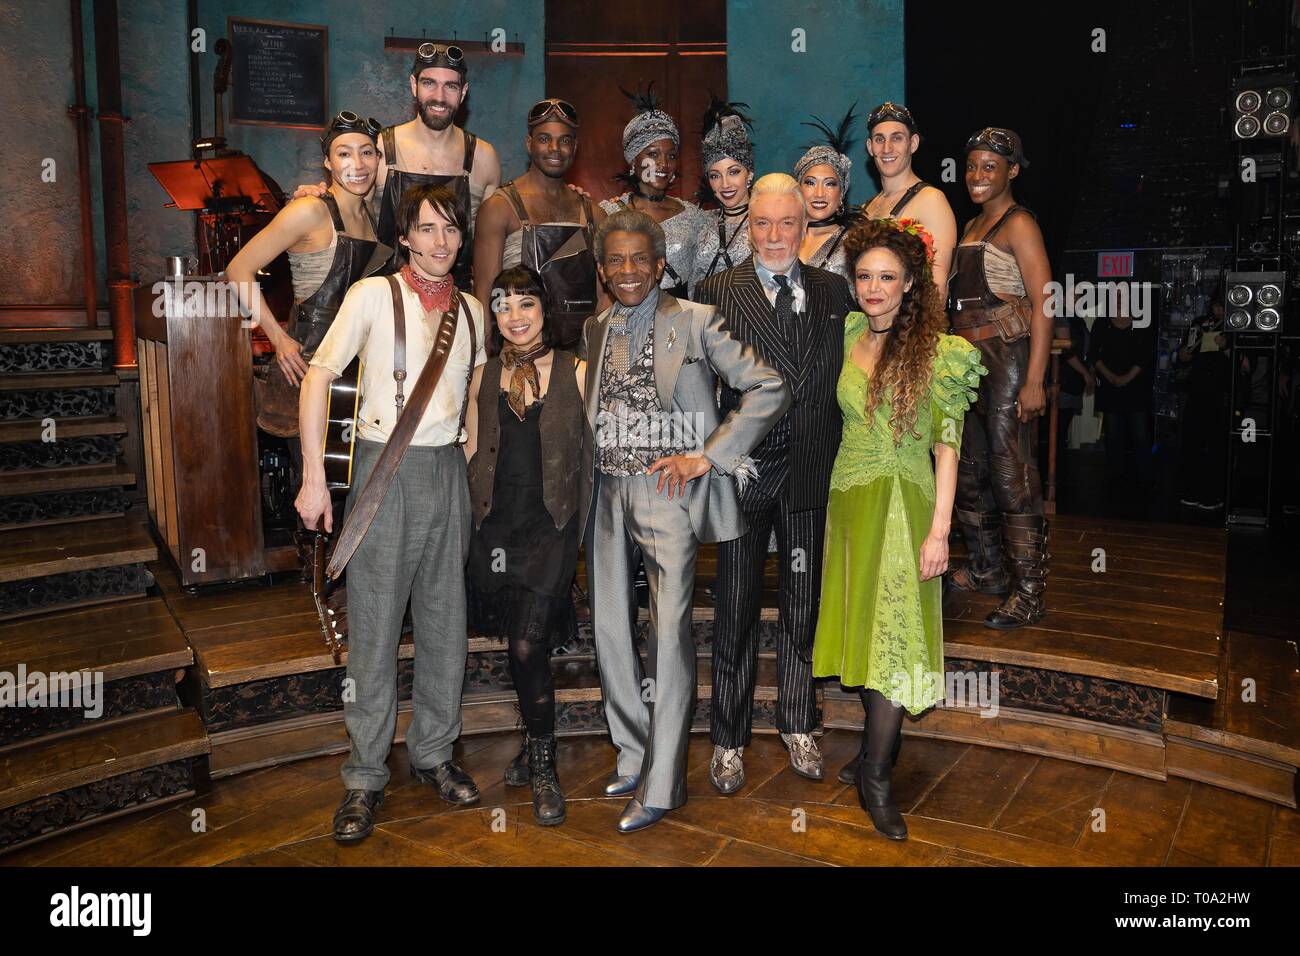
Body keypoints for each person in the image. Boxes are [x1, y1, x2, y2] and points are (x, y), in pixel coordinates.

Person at [579, 209, 788, 832]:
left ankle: (665, 783)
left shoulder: (695, 322)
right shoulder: (594, 328)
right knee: (612, 630)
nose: (627, 271)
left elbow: (769, 387)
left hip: (667, 494)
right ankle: (632, 750)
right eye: (614, 261)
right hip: (606, 493)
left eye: (639, 259)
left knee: (669, 636)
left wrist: (710, 455)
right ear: (601, 269)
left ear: (661, 264)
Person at [295, 182, 487, 843]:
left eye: (451, 230)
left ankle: (435, 751)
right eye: (427, 229)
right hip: (383, 466)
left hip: (445, 476)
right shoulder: (371, 296)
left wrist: (470, 446)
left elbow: (474, 390)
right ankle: (364, 776)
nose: (440, 242)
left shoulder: (473, 311)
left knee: (445, 623)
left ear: (463, 238)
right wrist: (314, 478)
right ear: (405, 236)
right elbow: (319, 373)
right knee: (373, 629)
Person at [813, 218, 985, 840]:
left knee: (894, 637)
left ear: (912, 282)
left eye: (888, 277)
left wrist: (940, 531)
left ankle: (877, 777)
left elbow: (948, 449)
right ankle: (869, 753)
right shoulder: (849, 333)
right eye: (864, 276)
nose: (874, 288)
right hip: (848, 504)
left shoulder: (942, 354)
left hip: (902, 507)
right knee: (866, 629)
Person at [694, 173, 856, 792]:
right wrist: (717, 457)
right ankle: (729, 739)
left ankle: (797, 721)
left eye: (787, 223)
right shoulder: (714, 291)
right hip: (745, 475)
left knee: (801, 604)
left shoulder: (835, 290)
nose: (774, 235)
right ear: (747, 226)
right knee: (733, 607)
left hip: (812, 470)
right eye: (761, 223)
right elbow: (703, 396)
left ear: (805, 225)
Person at [464, 266, 583, 826]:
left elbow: (594, 457)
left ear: (546, 310)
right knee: (515, 644)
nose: (514, 317)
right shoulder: (483, 375)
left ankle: (543, 764)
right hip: (496, 529)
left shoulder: (575, 371)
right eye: (503, 306)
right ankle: (531, 740)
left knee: (528, 649)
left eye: (526, 305)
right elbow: (470, 451)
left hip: (550, 528)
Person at [944, 128, 1053, 630]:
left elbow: (1045, 301)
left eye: (990, 166)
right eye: (972, 166)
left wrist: (1036, 379)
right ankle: (988, 569)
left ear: (1012, 170)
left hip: (1007, 358)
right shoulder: (970, 223)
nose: (978, 176)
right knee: (970, 472)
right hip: (966, 363)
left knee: (1011, 474)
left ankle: (1029, 591)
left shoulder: (1019, 223)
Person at [293, 44, 501, 284]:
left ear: (463, 92)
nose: (439, 97)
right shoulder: (380, 148)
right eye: (429, 83)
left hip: (457, 303)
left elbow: (489, 251)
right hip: (389, 305)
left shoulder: (483, 158)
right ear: (414, 85)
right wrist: (318, 200)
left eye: (451, 86)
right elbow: (347, 219)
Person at [228, 111, 382, 389]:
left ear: (377, 159)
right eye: (344, 154)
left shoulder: (371, 213)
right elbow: (238, 268)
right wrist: (278, 338)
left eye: (367, 153)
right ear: (328, 162)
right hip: (307, 367)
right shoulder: (309, 209)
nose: (358, 164)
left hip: (357, 368)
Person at [473, 98, 603, 350]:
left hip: (576, 362)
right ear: (529, 143)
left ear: (575, 147)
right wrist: (491, 361)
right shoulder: (499, 208)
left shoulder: (593, 214)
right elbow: (486, 291)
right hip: (517, 355)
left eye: (564, 140)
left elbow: (602, 300)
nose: (555, 148)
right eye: (544, 139)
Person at [600, 84, 707, 300]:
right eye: (653, 153)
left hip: (680, 323)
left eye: (671, 155)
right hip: (628, 320)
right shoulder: (607, 213)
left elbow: (701, 280)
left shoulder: (693, 215)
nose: (663, 164)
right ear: (633, 159)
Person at [860, 103, 956, 294]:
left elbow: (937, 288)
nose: (887, 148)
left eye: (897, 138)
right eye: (880, 139)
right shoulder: (866, 207)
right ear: (870, 147)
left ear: (913, 144)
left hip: (910, 321)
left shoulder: (931, 200)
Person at [691, 97, 756, 295]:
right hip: (703, 322)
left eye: (734, 172)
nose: (725, 184)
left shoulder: (766, 222)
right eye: (715, 175)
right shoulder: (702, 222)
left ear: (750, 173)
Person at [1089, 307, 1156, 494]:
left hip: (1136, 388)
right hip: (1110, 388)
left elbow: (1146, 355)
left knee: (1140, 436)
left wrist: (1126, 378)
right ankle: (1115, 477)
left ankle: (1145, 478)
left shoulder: (1142, 321)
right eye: (1116, 295)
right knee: (1113, 435)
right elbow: (1094, 353)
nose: (1119, 300)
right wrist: (1111, 377)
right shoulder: (1102, 322)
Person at [795, 104, 859, 281]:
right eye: (810, 183)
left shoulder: (854, 243)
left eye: (830, 184)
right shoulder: (782, 237)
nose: (819, 193)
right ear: (798, 189)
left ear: (842, 193)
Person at [1176, 299, 1228, 510]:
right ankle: (1191, 490)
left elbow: (1244, 362)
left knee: (1216, 447)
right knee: (1191, 444)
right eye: (1216, 306)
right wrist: (1184, 354)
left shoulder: (1236, 325)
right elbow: (1183, 354)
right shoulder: (1199, 323)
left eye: (1223, 307)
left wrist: (1226, 346)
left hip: (1220, 393)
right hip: (1196, 390)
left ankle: (1213, 494)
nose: (1219, 311)